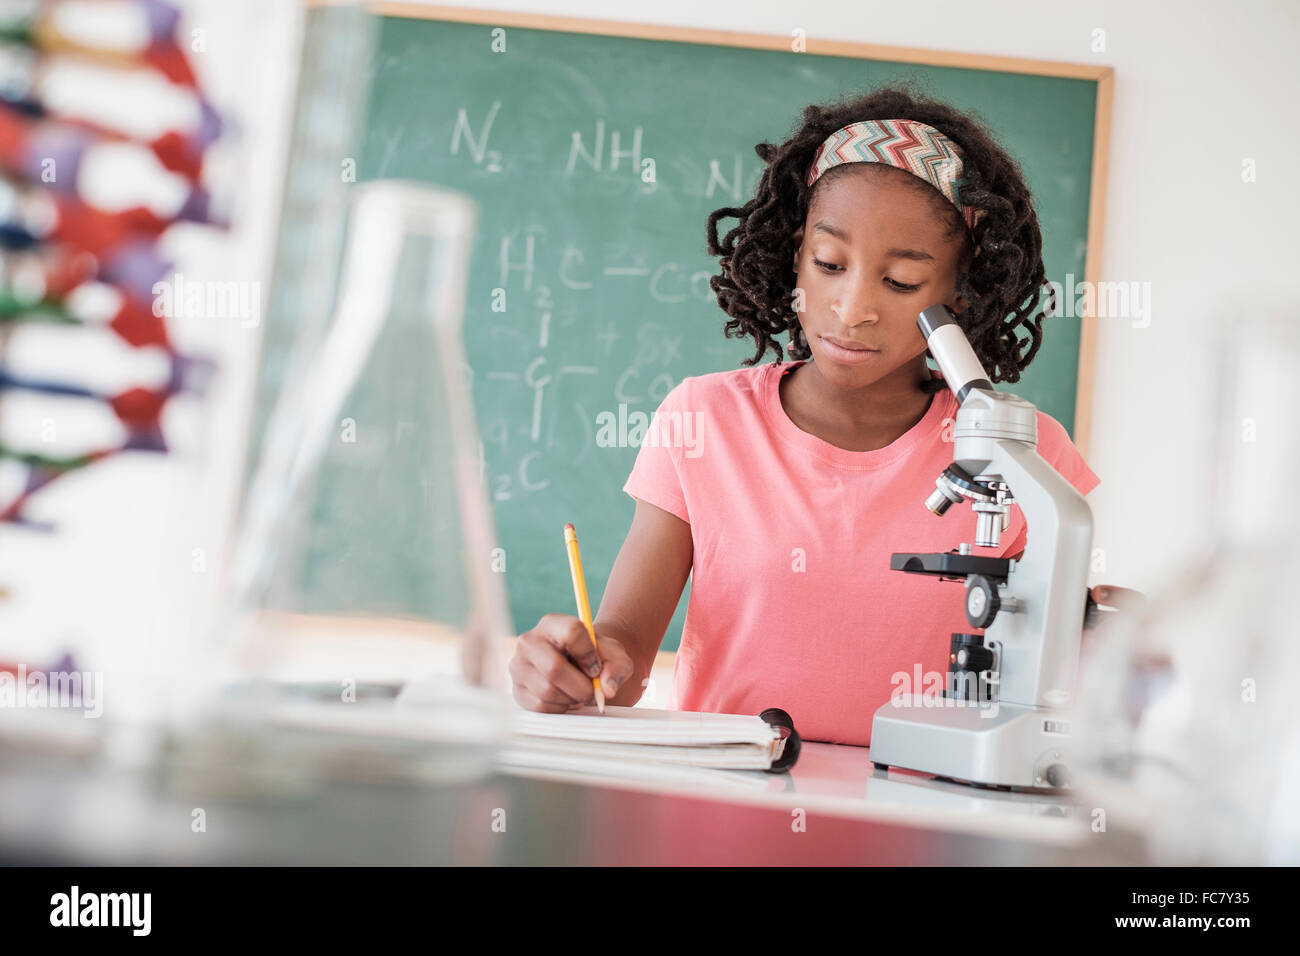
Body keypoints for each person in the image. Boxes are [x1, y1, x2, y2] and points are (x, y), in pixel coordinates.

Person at [509, 85, 1138, 746]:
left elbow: (1050, 674)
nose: (852, 308)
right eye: (830, 264)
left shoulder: (1020, 450)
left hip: (924, 812)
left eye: (899, 282)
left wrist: (1110, 650)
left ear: (961, 287)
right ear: (792, 254)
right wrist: (580, 666)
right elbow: (625, 658)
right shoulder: (704, 419)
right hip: (728, 807)